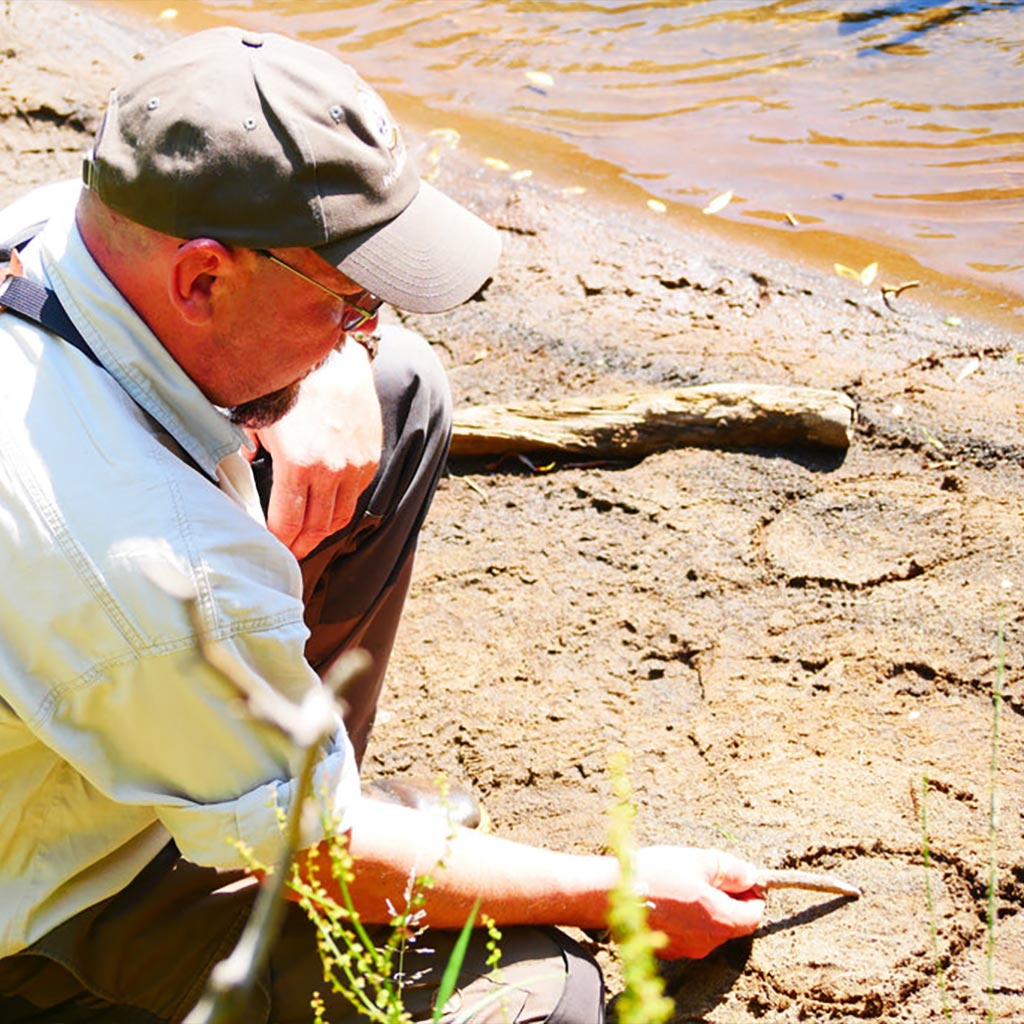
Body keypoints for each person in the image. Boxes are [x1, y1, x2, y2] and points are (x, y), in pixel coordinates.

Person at [0, 26, 765, 1023]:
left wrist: (344, 357)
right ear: (202, 280)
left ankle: (279, 764)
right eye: (351, 300)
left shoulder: (65, 232)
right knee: (545, 995)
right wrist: (615, 887)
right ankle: (259, 809)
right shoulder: (148, 556)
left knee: (397, 387)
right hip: (58, 892)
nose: (364, 322)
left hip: (96, 697)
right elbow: (317, 856)